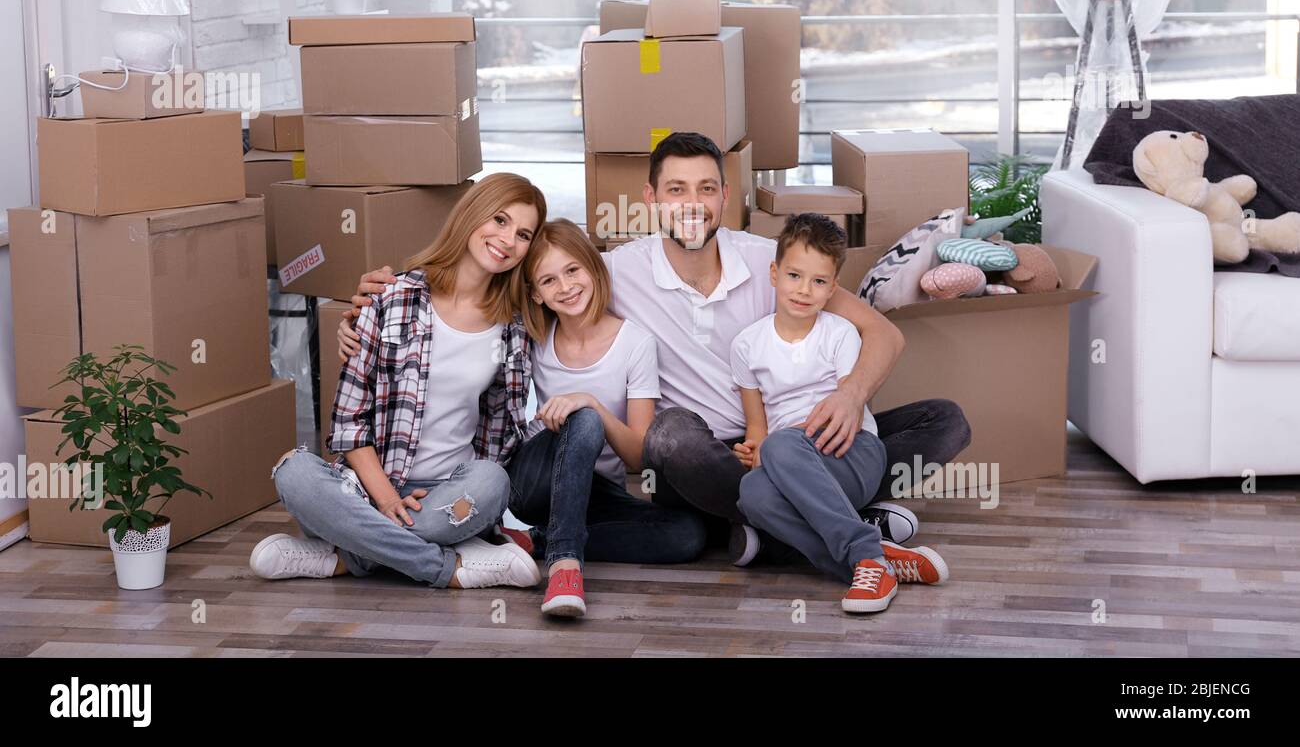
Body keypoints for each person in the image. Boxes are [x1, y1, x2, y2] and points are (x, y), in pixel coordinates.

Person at [338, 133, 972, 567]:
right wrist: (389, 293)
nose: (691, 204)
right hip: (705, 459)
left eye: (704, 189)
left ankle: (773, 526)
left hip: (794, 442)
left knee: (942, 420)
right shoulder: (614, 271)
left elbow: (883, 333)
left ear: (726, 197)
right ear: (651, 199)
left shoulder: (772, 264)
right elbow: (520, 270)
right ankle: (836, 523)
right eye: (675, 190)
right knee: (669, 434)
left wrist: (850, 392)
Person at [248, 173, 548, 591]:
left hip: (447, 495)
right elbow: (348, 423)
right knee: (293, 473)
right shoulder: (393, 296)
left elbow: (500, 435)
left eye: (523, 234)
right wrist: (387, 499)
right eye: (499, 220)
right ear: (471, 215)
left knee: (493, 482)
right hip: (367, 488)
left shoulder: (513, 328)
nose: (507, 239)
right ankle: (446, 567)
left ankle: (346, 556)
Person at [730, 213, 949, 613]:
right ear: (775, 273)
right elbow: (758, 428)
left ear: (833, 288)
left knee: (783, 447)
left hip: (852, 453)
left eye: (818, 281)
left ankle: (863, 555)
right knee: (753, 494)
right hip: (791, 464)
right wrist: (755, 448)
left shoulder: (839, 333)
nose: (804, 290)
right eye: (794, 275)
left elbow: (845, 409)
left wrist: (779, 445)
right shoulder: (747, 345)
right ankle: (873, 561)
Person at [512, 219, 707, 618]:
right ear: (535, 294)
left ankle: (537, 542)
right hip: (535, 481)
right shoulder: (532, 336)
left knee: (687, 536)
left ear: (593, 267)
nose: (565, 287)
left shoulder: (635, 343)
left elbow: (637, 457)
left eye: (572, 271)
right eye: (548, 281)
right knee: (583, 419)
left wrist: (595, 405)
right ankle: (564, 567)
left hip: (594, 491)